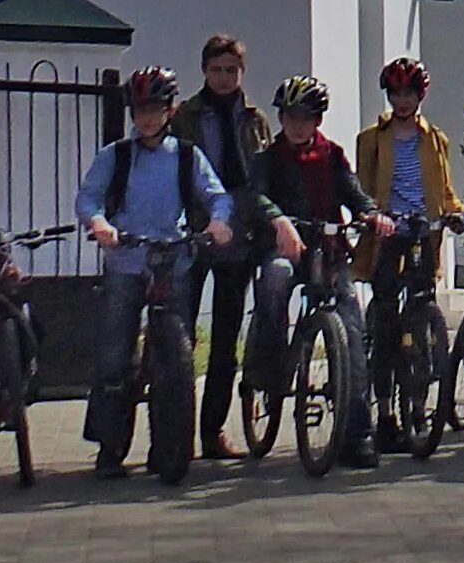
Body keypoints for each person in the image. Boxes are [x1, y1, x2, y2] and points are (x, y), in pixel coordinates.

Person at [76, 65, 236, 478]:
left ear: (170, 110)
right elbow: (89, 198)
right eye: (140, 110)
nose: (147, 118)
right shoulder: (116, 156)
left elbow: (217, 196)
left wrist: (218, 222)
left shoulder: (186, 156)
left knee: (175, 358)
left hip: (174, 259)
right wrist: (99, 224)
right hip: (127, 261)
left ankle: (169, 445)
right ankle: (110, 448)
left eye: (155, 109)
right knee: (116, 354)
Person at [254, 75, 385, 468]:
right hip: (286, 249)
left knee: (352, 328)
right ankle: (271, 361)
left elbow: (352, 191)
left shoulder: (331, 155)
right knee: (275, 278)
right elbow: (254, 194)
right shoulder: (268, 157)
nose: (297, 124)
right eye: (290, 116)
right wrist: (278, 221)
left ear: (318, 120)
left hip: (328, 250)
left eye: (305, 117)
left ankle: (358, 431)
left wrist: (371, 213)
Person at [182, 33, 286, 460]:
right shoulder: (185, 116)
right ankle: (173, 434)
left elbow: (261, 178)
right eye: (216, 70)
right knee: (179, 337)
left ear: (242, 73)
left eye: (231, 71)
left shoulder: (254, 118)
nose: (224, 78)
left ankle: (212, 432)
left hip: (238, 237)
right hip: (192, 231)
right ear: (204, 70)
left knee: (225, 338)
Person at [354, 56, 464, 445]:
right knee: (385, 320)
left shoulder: (435, 139)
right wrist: (371, 217)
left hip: (424, 231)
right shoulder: (372, 138)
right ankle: (384, 412)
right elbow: (363, 188)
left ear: (420, 96)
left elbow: (445, 190)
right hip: (387, 233)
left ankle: (418, 404)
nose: (402, 101)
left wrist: (457, 215)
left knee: (422, 316)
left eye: (409, 93)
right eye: (396, 93)